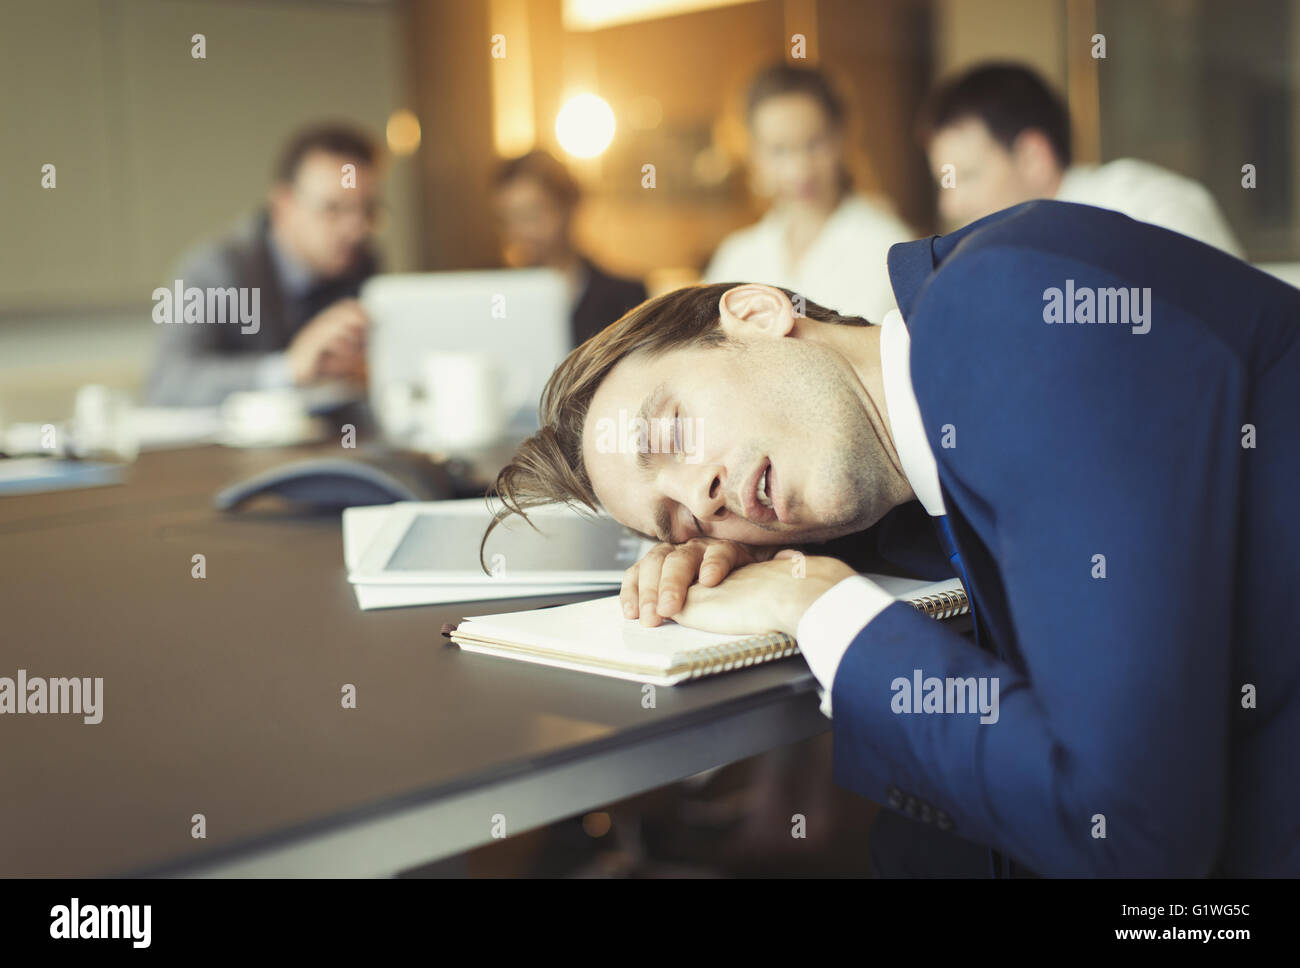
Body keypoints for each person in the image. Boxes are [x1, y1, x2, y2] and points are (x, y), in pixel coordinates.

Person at [486, 200, 1300, 876]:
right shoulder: (919, 474)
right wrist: (757, 560)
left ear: (758, 313)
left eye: (669, 434)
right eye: (679, 522)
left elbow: (1132, 837)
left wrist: (823, 608)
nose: (698, 498)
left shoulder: (1001, 308)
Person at [146, 123, 383, 407]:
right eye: (332, 209)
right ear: (284, 205)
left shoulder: (363, 264)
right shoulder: (214, 270)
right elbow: (167, 385)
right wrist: (288, 369)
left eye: (365, 210)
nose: (355, 228)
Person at [921, 62, 1244, 256]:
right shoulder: (991, 256)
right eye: (944, 183)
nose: (950, 205)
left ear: (1034, 157)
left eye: (967, 176)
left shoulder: (1152, 209)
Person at [705, 63, 915, 324]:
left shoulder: (888, 248)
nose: (800, 170)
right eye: (779, 150)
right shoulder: (736, 256)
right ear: (753, 153)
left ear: (840, 137)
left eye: (814, 144)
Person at [492, 150, 647, 348]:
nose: (519, 232)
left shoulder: (625, 297)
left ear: (567, 208)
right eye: (507, 220)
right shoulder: (498, 298)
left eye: (531, 215)